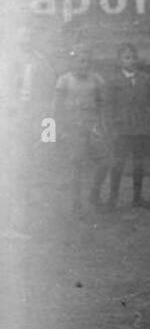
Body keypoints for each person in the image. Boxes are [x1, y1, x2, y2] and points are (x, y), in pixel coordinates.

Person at [52, 48, 108, 218]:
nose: (84, 65)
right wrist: (56, 129)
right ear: (72, 62)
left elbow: (102, 105)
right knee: (77, 166)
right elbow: (56, 107)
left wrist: (103, 125)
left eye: (87, 61)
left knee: (104, 161)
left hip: (92, 126)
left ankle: (94, 194)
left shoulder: (96, 79)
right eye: (80, 61)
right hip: (73, 126)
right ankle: (76, 202)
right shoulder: (64, 80)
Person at [104, 43, 150, 210]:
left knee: (138, 163)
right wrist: (111, 127)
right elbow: (109, 106)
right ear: (119, 61)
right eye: (127, 57)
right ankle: (112, 198)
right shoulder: (114, 81)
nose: (131, 61)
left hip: (141, 128)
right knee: (118, 163)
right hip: (122, 129)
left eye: (133, 57)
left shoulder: (145, 79)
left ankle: (137, 197)